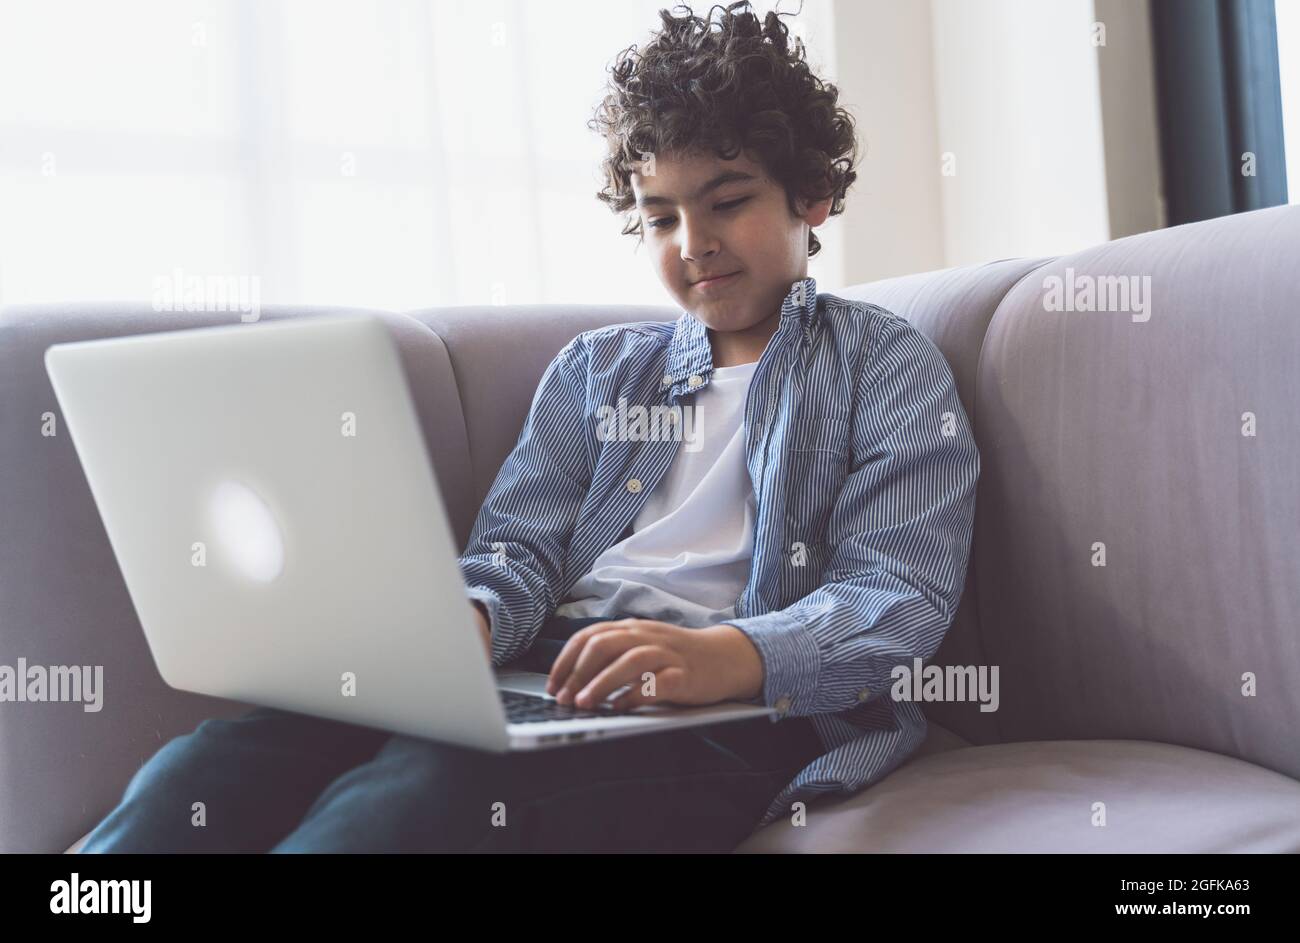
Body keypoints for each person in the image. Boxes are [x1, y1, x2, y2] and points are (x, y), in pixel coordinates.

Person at [80, 0, 978, 854]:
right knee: (208, 769)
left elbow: (897, 596)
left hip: (740, 713)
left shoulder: (884, 364)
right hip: (544, 677)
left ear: (812, 194)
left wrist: (724, 655)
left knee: (434, 787)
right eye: (660, 216)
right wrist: (466, 621)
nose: (692, 241)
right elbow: (518, 549)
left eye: (728, 199)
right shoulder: (599, 369)